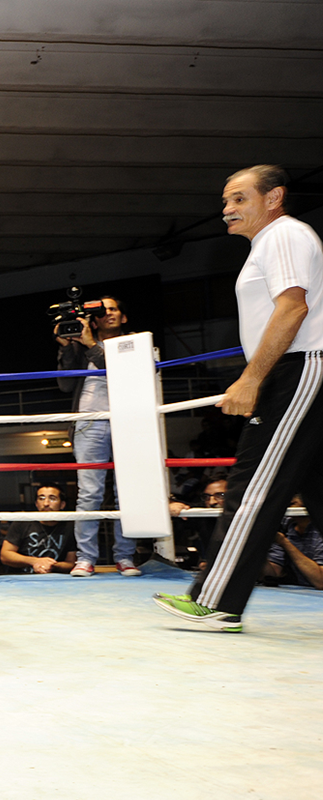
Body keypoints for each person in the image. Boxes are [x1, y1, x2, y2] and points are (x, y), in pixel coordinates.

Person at [155, 165, 323, 632]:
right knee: (317, 489)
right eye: (225, 201)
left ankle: (217, 602)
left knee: (252, 488)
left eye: (239, 199)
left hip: (299, 366)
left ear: (274, 198)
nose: (227, 210)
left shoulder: (283, 236)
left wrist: (251, 379)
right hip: (297, 368)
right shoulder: (272, 242)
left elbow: (293, 307)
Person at [56, 295, 141, 577]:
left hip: (126, 420)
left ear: (124, 316)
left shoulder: (135, 342)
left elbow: (124, 375)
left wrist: (92, 345)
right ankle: (85, 559)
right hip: (89, 423)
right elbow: (65, 384)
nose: (109, 314)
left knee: (127, 491)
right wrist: (68, 348)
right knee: (89, 494)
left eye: (114, 309)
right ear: (94, 319)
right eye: (103, 311)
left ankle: (125, 557)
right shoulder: (81, 347)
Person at [0, 484, 78, 574]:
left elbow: (71, 563)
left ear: (62, 504)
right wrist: (34, 561)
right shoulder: (23, 522)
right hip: (21, 580)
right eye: (41, 498)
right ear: (36, 504)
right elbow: (5, 555)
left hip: (55, 580)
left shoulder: (70, 527)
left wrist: (52, 565)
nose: (46, 503)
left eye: (52, 498)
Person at [263, 497, 323, 589]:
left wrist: (285, 543)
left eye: (297, 495)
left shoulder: (319, 530)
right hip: (301, 594)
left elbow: (321, 581)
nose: (291, 500)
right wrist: (257, 545)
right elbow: (273, 573)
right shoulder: (286, 525)